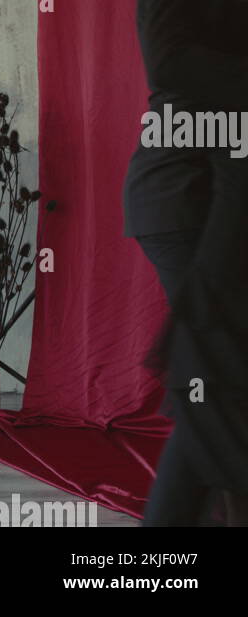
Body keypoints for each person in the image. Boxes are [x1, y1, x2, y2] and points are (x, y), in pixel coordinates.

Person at [122, 1, 248, 524]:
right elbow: (169, 62)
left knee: (215, 384)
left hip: (221, 199)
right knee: (214, 383)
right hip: (184, 199)